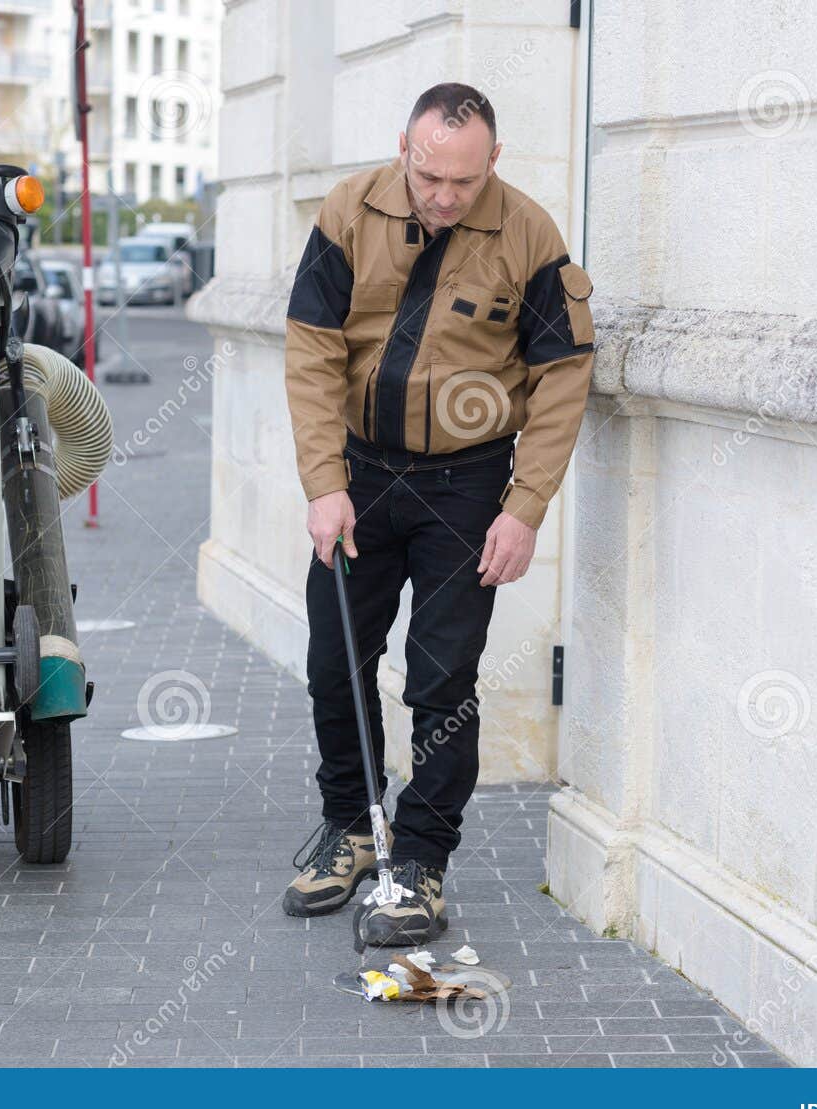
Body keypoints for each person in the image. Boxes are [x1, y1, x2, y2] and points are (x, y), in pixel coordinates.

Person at [280, 82, 597, 946]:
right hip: (360, 474)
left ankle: (419, 860)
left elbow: (564, 373)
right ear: (404, 150)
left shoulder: (530, 234)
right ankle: (350, 826)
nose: (445, 198)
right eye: (429, 178)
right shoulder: (350, 208)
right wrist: (322, 482)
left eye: (463, 181)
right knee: (335, 660)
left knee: (443, 681)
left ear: (493, 160)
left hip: (467, 485)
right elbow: (311, 347)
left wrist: (525, 507)